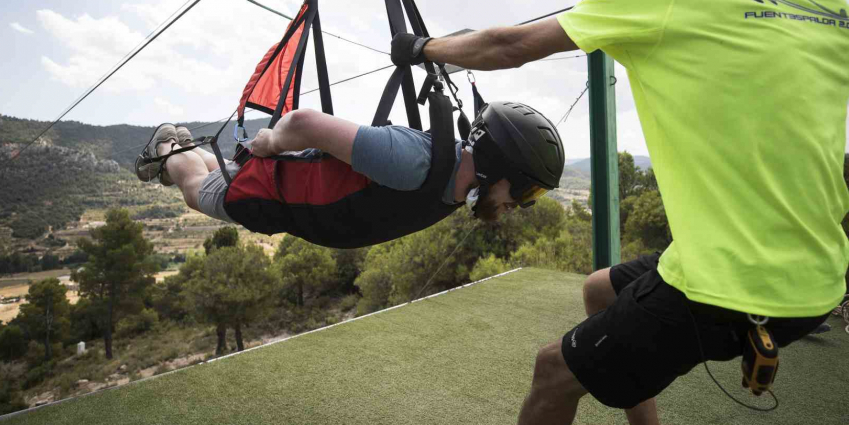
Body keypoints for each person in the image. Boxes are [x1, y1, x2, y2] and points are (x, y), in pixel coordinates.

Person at [391, 0, 849, 425]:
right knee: (597, 290)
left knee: (554, 371)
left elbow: (513, 44)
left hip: (732, 283)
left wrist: (423, 48)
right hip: (821, 276)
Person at [134, 100, 565, 248]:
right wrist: (268, 144)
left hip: (289, 197)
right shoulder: (414, 161)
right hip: (269, 194)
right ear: (496, 165)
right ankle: (168, 146)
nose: (521, 206)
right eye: (526, 192)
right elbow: (302, 124)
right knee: (195, 190)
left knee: (216, 173)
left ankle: (183, 140)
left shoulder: (456, 184)